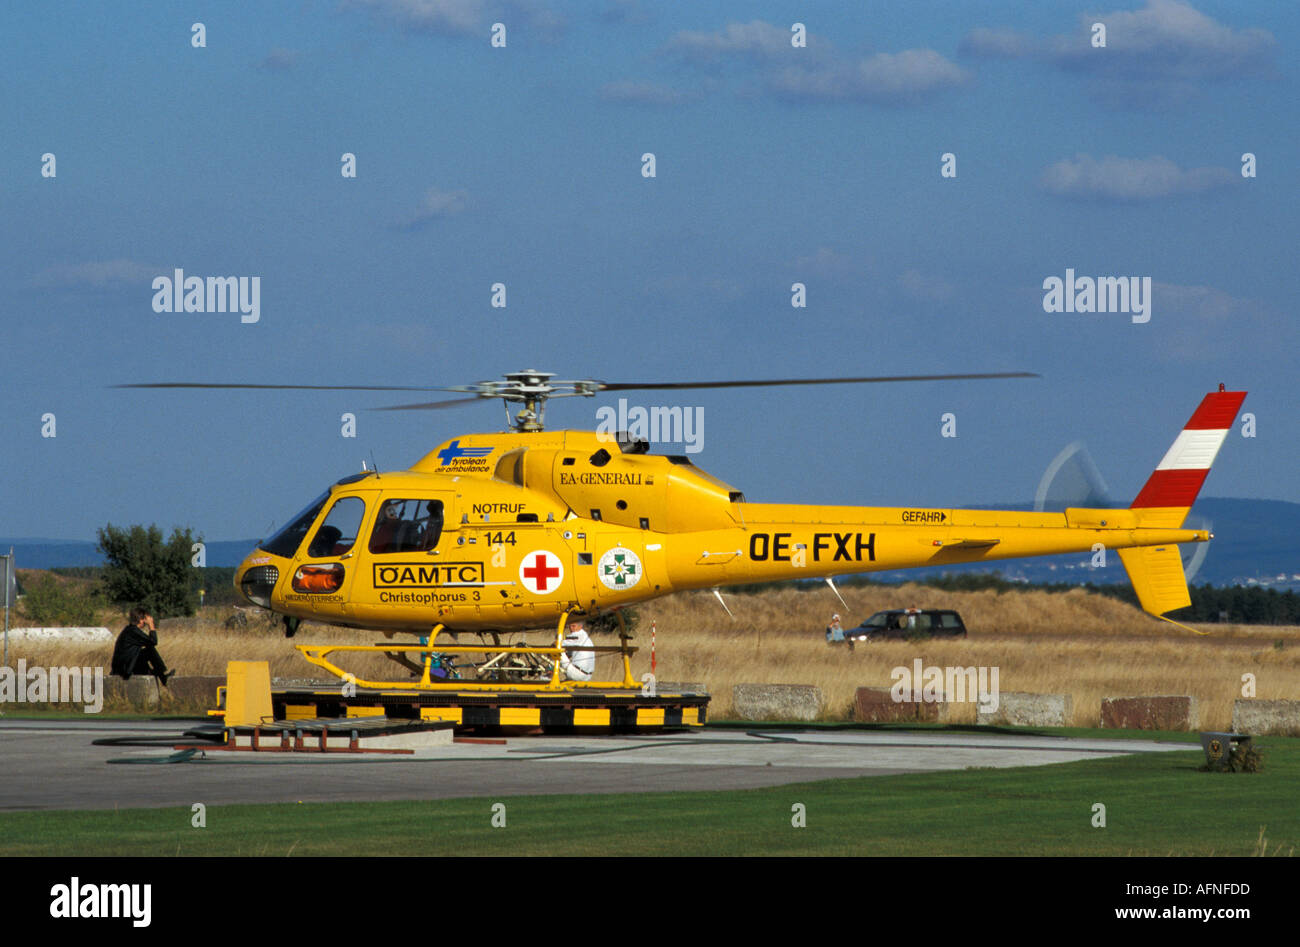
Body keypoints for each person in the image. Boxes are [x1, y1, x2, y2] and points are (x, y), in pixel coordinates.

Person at [110, 607, 175, 686]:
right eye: (145, 619)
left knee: (142, 651)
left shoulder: (129, 630)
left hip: (123, 666)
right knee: (150, 649)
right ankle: (163, 678)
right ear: (141, 620)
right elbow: (153, 641)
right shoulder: (133, 631)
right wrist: (151, 625)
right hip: (124, 669)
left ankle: (158, 675)